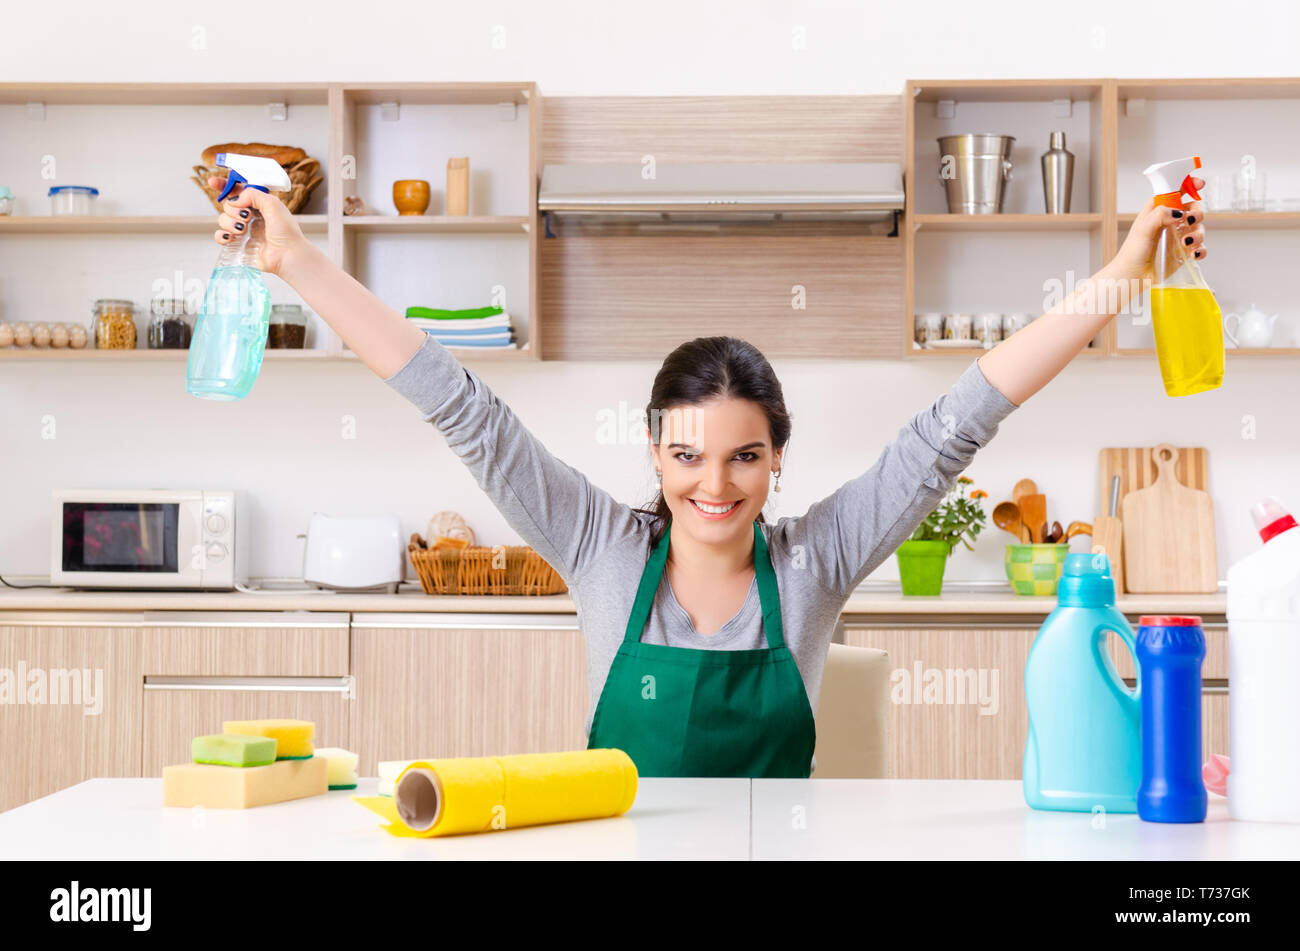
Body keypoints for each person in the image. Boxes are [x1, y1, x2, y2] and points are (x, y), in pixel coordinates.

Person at [208, 174, 1208, 778]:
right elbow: (456, 399)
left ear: (776, 460)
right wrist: (294, 259)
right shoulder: (599, 545)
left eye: (742, 456)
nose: (714, 485)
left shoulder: (816, 560)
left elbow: (960, 420)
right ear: (654, 454)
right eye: (686, 456)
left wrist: (1126, 269)